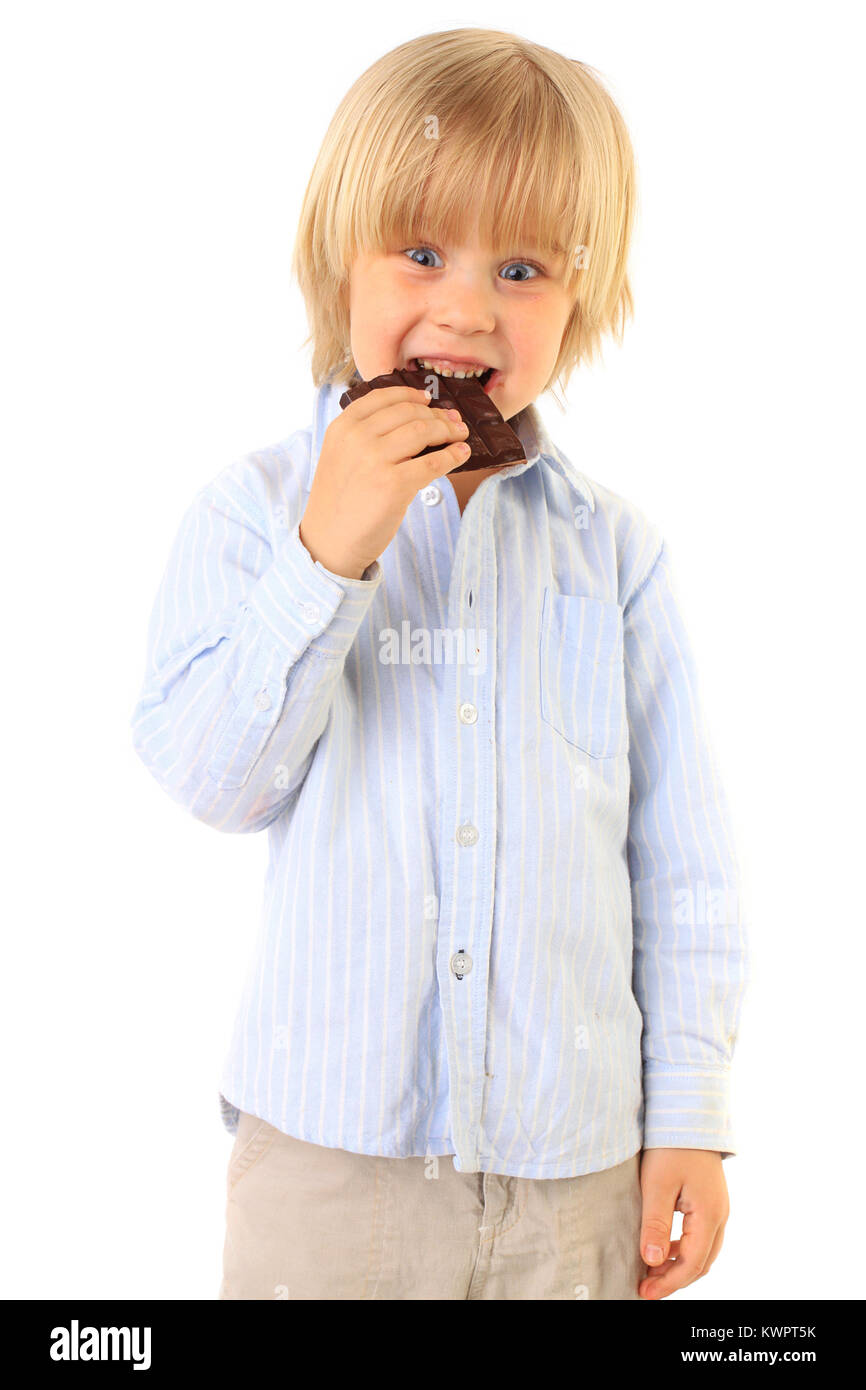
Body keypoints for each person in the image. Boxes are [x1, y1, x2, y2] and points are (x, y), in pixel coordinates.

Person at [130, 27, 749, 1300]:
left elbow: (679, 856)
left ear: (581, 303)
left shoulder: (613, 557)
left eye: (519, 267)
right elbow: (210, 778)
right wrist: (328, 556)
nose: (466, 307)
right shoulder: (251, 516)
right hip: (328, 1169)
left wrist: (686, 1107)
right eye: (420, 253)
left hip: (569, 1176)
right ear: (334, 264)